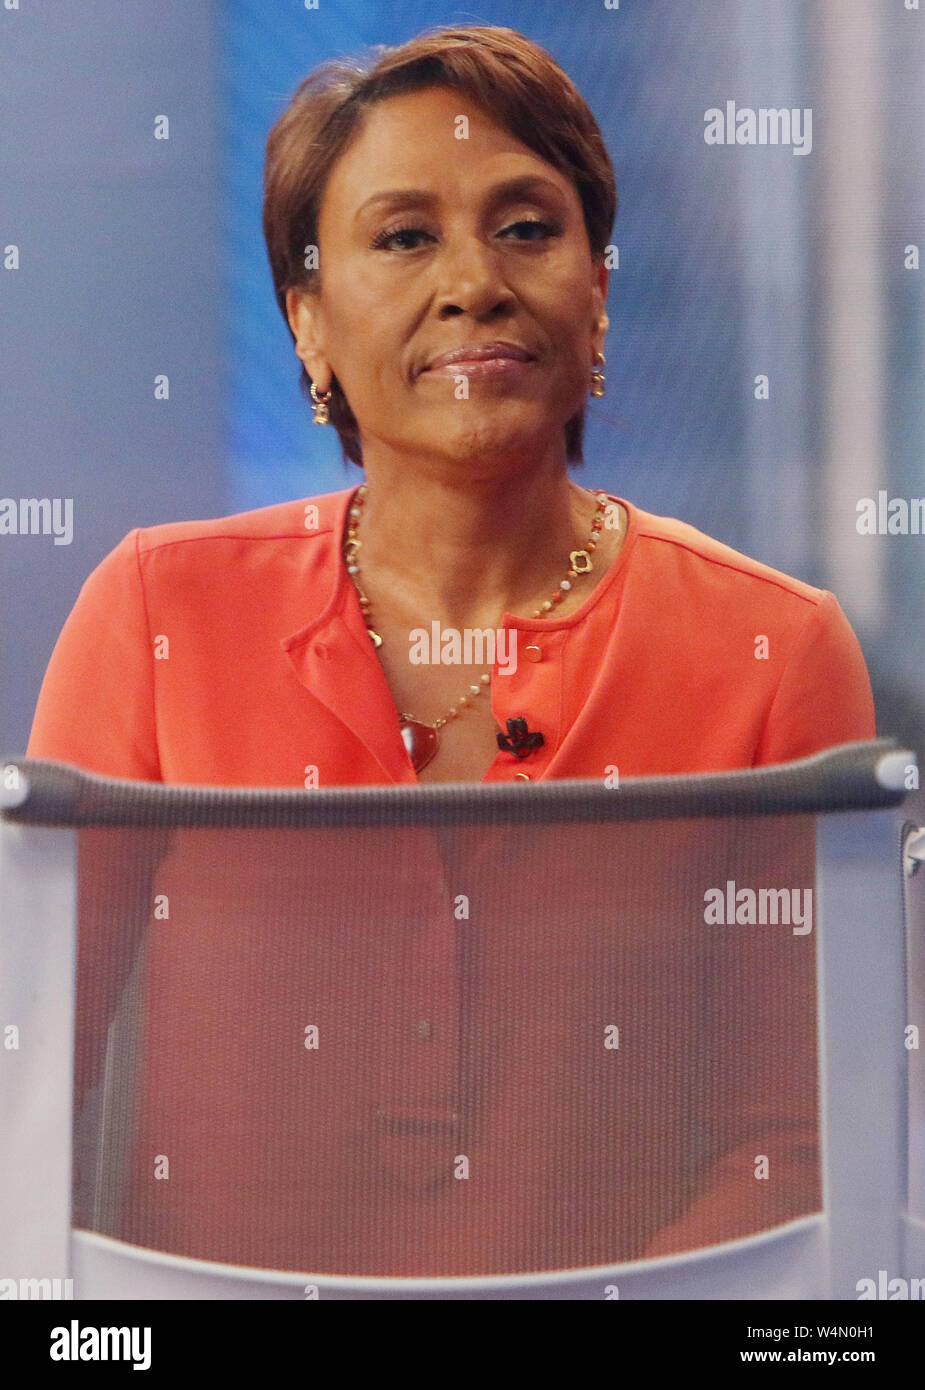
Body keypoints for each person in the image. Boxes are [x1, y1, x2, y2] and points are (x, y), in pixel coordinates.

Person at [24, 25, 870, 1279]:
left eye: (527, 227)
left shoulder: (775, 651)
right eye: (404, 235)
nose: (473, 279)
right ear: (307, 324)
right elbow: (24, 1095)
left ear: (595, 291)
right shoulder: (155, 611)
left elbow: (797, 1152)